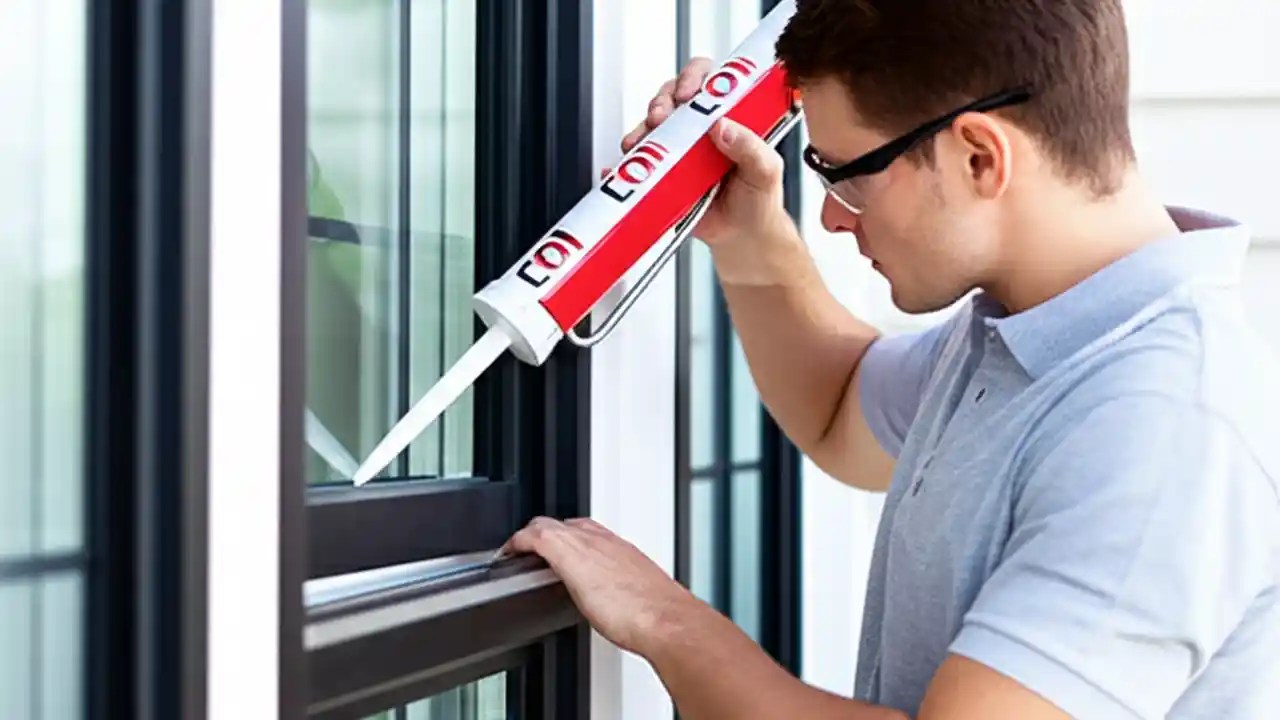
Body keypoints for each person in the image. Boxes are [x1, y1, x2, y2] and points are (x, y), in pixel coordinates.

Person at [500, 1, 1280, 717]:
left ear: (979, 156)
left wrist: (663, 618)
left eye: (849, 175)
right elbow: (842, 410)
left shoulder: (1163, 424)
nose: (835, 218)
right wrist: (747, 231)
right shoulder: (1028, 326)